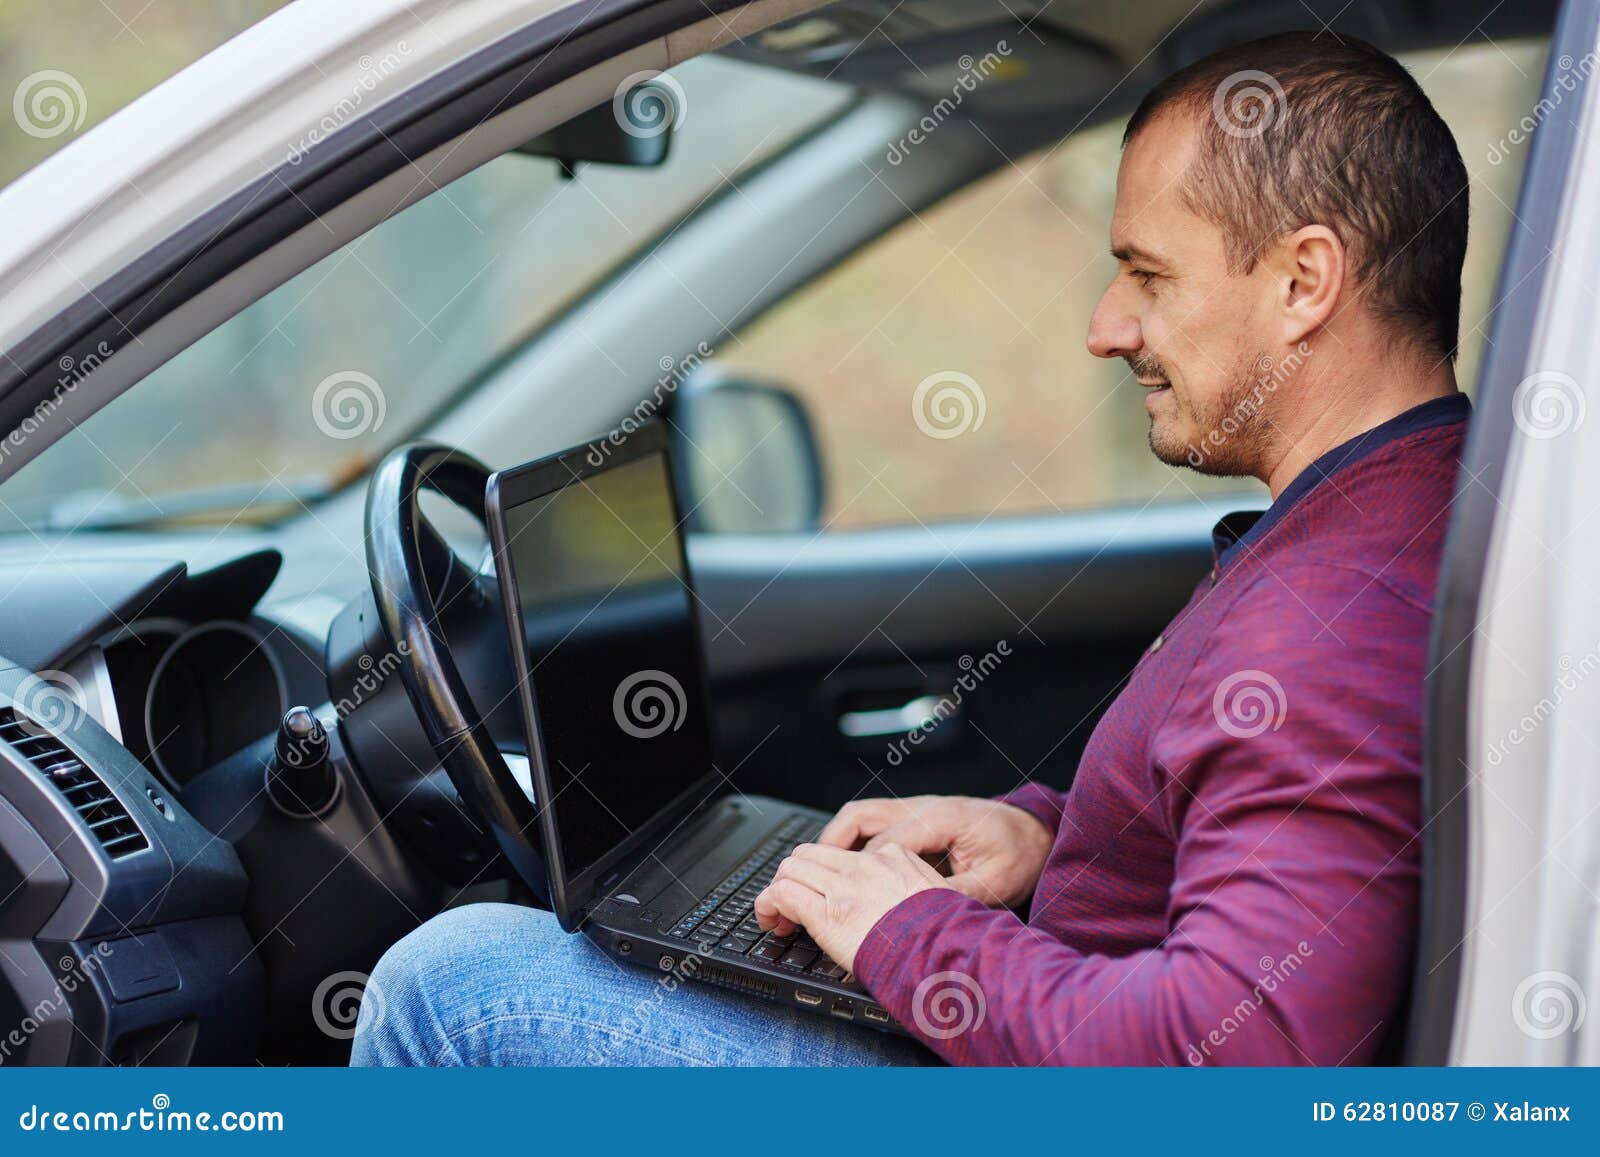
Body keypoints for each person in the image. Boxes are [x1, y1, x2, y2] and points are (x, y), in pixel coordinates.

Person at [353, 29, 1471, 1067]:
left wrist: (916, 936)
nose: (1105, 326)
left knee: (451, 985)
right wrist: (1048, 838)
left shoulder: (1331, 615)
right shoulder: (1396, 510)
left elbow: (1230, 1060)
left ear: (1302, 281)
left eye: (1147, 273)